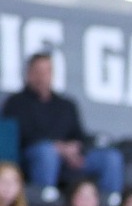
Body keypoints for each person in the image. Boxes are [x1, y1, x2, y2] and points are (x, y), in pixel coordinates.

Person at [2, 52, 124, 198]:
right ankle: (44, 196)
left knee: (110, 157)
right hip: (35, 157)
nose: (42, 76)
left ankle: (111, 201)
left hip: (68, 160)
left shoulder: (66, 105)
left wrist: (76, 150)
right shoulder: (16, 103)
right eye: (38, 71)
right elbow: (21, 137)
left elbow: (79, 135)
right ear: (29, 74)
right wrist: (58, 148)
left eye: (47, 71)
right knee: (46, 152)